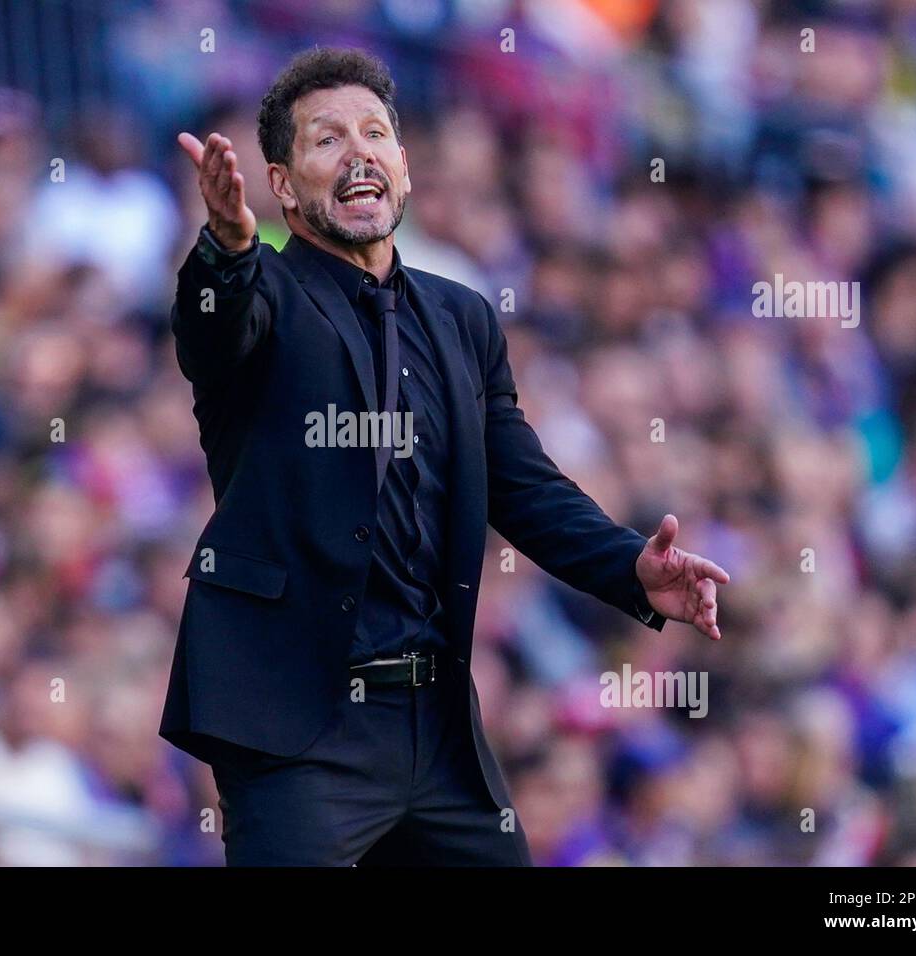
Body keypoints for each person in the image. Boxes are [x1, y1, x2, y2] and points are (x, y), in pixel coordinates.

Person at [159, 47, 730, 866]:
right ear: (282, 185)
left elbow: (522, 485)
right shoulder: (262, 294)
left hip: (435, 723)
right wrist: (224, 244)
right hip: (295, 725)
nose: (358, 152)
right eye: (326, 141)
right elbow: (213, 330)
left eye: (376, 133)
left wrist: (629, 567)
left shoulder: (463, 317)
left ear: (404, 167)